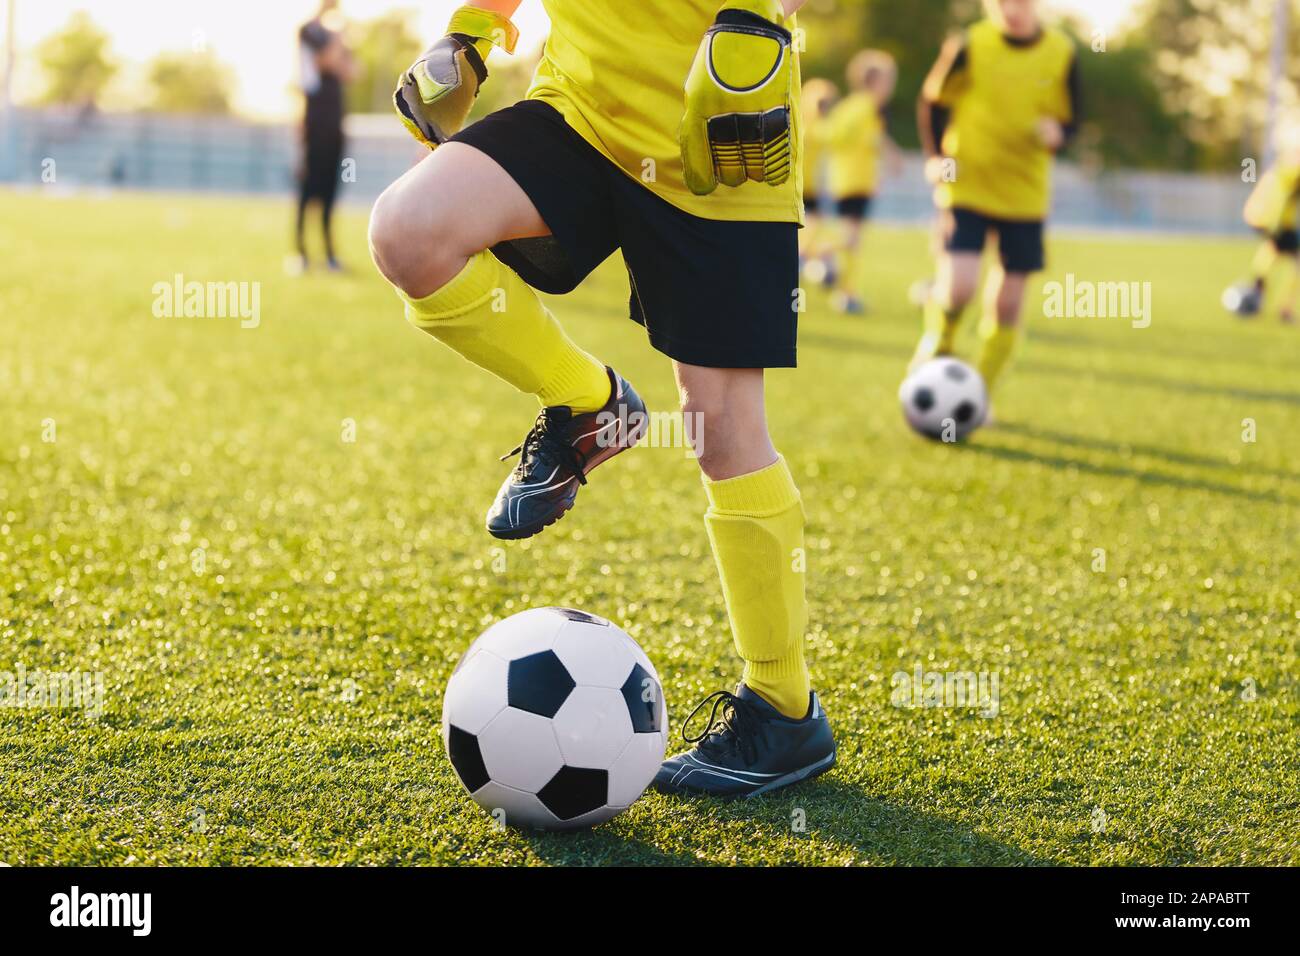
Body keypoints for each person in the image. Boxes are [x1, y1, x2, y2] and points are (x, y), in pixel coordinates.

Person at [369, 0, 836, 797]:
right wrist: (475, 30)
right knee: (410, 229)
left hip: (719, 120)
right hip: (580, 114)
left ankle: (784, 711)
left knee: (721, 430)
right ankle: (590, 403)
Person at [912, 0, 1080, 394]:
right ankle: (937, 346)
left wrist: (1060, 134)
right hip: (967, 183)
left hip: (1024, 193)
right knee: (960, 287)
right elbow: (934, 101)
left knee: (1007, 306)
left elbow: (1073, 120)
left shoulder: (1063, 52)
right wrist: (936, 157)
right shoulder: (969, 43)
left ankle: (978, 392)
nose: (1011, 10)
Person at [822, 49, 898, 315]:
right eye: (889, 81)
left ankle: (846, 291)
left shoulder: (849, 106)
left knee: (852, 240)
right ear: (875, 82)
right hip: (854, 182)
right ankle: (814, 256)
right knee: (851, 240)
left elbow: (832, 136)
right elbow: (870, 140)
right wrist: (892, 156)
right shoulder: (866, 107)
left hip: (847, 181)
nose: (890, 88)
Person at [292, 0, 355, 274]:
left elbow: (353, 72)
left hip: (335, 125)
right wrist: (339, 41)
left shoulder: (334, 35)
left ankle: (330, 254)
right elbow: (327, 61)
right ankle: (301, 253)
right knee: (308, 191)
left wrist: (341, 44)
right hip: (315, 122)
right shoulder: (308, 31)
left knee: (331, 192)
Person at [1226, 137, 1300, 325]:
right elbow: (1283, 194)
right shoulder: (1292, 170)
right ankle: (1284, 308)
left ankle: (1257, 291)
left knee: (1273, 251)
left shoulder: (1283, 164)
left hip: (1258, 216)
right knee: (1295, 260)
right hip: (1273, 220)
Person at [798, 77, 839, 288]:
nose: (824, 108)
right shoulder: (810, 126)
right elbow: (836, 137)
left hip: (809, 185)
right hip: (802, 185)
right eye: (822, 103)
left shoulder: (809, 124)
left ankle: (806, 256)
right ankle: (804, 256)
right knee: (811, 223)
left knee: (812, 223)